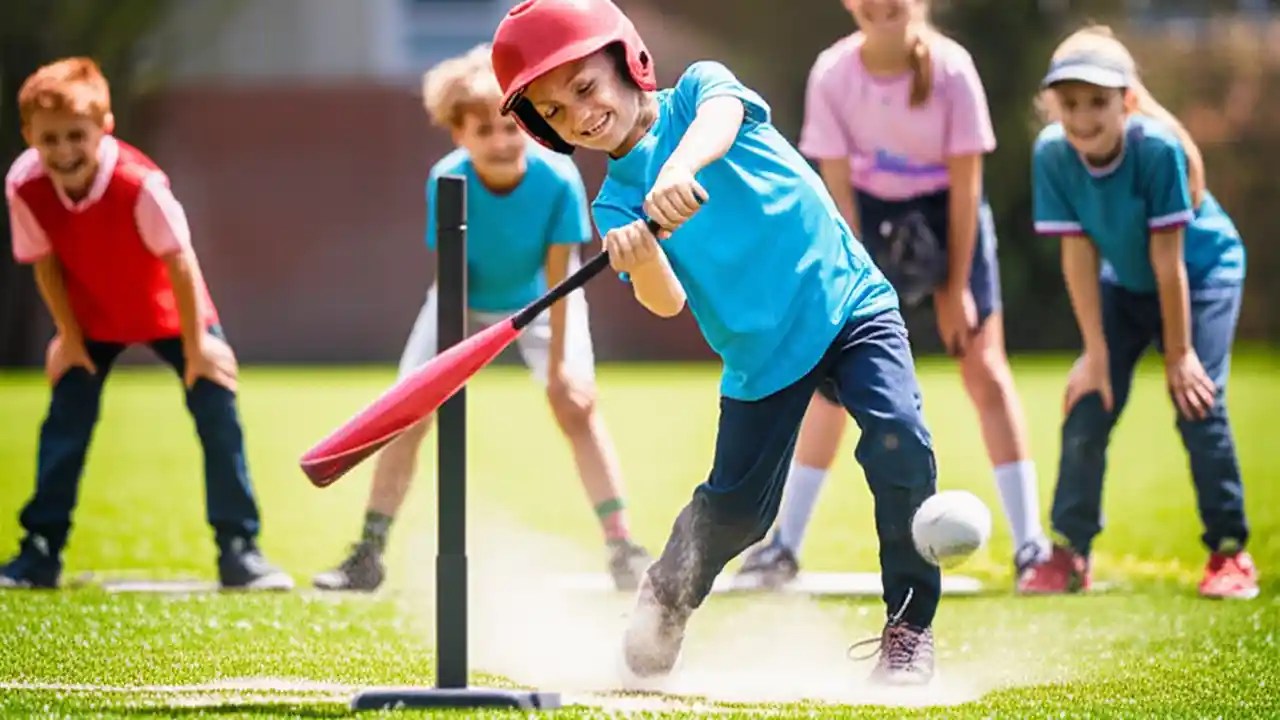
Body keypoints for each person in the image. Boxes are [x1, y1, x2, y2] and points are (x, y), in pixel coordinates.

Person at [492, 0, 945, 686]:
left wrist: (677, 169)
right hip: (761, 356)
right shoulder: (614, 205)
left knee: (901, 441)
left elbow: (720, 120)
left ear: (627, 62)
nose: (580, 116)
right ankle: (665, 597)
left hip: (848, 302)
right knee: (737, 514)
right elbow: (667, 301)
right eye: (555, 113)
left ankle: (909, 627)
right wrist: (640, 252)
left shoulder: (702, 90)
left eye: (584, 88)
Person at [312, 44, 652, 593]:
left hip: (543, 303)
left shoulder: (560, 180)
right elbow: (453, 277)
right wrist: (442, 371)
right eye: (483, 131)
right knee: (406, 412)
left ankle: (623, 548)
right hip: (461, 300)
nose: (499, 142)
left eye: (510, 129)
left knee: (577, 409)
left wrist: (562, 370)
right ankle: (368, 553)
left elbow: (562, 281)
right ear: (459, 135)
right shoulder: (447, 180)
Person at [736, 0, 1050, 592]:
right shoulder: (833, 73)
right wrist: (855, 287)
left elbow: (965, 188)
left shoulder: (953, 70)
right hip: (865, 221)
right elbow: (837, 196)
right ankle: (783, 547)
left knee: (985, 368)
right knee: (831, 380)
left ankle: (1031, 545)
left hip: (945, 218)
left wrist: (955, 286)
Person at [1, 57, 292, 591]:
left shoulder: (140, 184)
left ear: (104, 126)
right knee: (65, 424)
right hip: (90, 317)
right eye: (50, 139)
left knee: (217, 415)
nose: (64, 151)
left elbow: (180, 261)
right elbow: (43, 260)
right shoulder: (24, 184)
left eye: (76, 136)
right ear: (28, 135)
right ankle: (38, 552)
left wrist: (198, 344)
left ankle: (239, 550)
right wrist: (67, 336)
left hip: (171, 311)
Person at [1018, 26, 1257, 600]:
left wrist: (1180, 355)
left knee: (1198, 400)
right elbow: (1077, 254)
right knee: (1088, 403)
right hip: (1124, 283)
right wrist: (1096, 356)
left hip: (1199, 276)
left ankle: (1228, 552)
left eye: (1097, 102)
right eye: (1069, 104)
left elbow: (1168, 260)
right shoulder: (1052, 154)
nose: (1082, 118)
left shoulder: (1157, 150)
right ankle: (1070, 552)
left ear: (1126, 100)